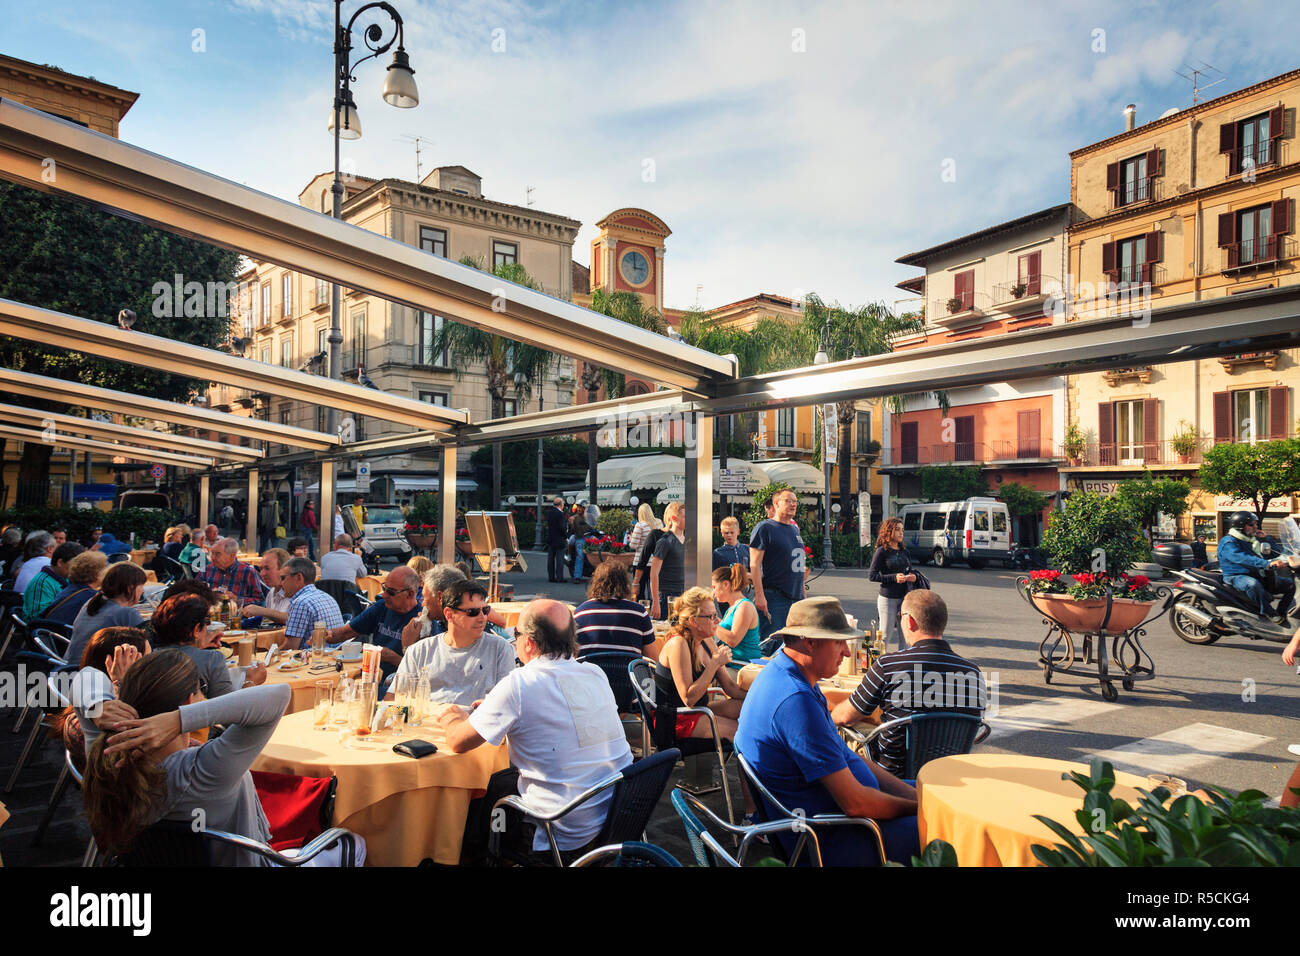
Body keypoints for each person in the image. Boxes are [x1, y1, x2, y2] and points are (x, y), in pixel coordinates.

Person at [87, 649, 364, 866]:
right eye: (200, 690)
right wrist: (179, 720)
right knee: (354, 843)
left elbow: (85, 674)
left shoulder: (109, 752)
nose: (204, 696)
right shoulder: (202, 770)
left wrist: (101, 704)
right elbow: (277, 696)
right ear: (187, 702)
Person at [440, 599, 633, 864]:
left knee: (485, 797)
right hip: (613, 820)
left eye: (516, 634)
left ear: (529, 642)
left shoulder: (519, 685)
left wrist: (454, 718)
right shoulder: (594, 673)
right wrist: (497, 707)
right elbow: (560, 711)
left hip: (559, 834)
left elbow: (457, 742)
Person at [735, 596, 920, 866]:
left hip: (841, 822)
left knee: (938, 793)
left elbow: (848, 756)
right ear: (810, 642)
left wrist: (912, 795)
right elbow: (855, 803)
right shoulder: (795, 700)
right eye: (839, 642)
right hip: (832, 839)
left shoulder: (788, 675)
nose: (846, 652)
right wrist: (922, 809)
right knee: (952, 834)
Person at [831, 590, 986, 774]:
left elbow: (844, 717)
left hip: (893, 777)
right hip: (947, 775)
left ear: (909, 621)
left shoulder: (888, 666)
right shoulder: (973, 673)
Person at [388, 579, 514, 706]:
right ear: (449, 614)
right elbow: (393, 700)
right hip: (427, 723)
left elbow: (508, 704)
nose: (482, 618)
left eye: (485, 610)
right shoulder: (419, 651)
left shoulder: (500, 649)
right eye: (473, 612)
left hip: (474, 723)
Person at [656, 586, 747, 743]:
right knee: (744, 732)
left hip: (699, 710)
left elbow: (730, 687)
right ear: (693, 621)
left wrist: (758, 696)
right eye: (711, 617)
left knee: (752, 709)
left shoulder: (706, 641)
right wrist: (714, 664)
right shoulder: (679, 644)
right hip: (676, 718)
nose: (717, 621)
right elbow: (688, 699)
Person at [151, 592, 266, 697]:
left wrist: (198, 644)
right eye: (207, 624)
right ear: (196, 629)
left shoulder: (150, 657)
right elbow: (228, 710)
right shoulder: (212, 659)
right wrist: (250, 681)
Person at [329, 565, 422, 683]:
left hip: (399, 685)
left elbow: (421, 672)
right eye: (384, 588)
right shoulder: (381, 607)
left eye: (391, 592)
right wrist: (326, 635)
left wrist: (391, 657)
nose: (384, 595)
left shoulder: (422, 621)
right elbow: (344, 633)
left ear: (409, 594)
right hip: (369, 679)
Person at [69, 626, 150, 757]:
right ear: (119, 661)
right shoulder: (89, 676)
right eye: (146, 658)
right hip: (119, 770)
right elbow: (113, 718)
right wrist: (122, 681)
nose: (151, 663)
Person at [749, 488, 807, 645]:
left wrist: (802, 593)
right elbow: (754, 564)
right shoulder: (765, 528)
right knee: (770, 643)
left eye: (795, 501)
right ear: (776, 503)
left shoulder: (794, 530)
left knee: (793, 643)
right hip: (774, 597)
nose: (793, 504)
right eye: (788, 501)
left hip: (795, 597)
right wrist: (760, 595)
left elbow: (799, 564)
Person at [68, 562, 148, 666]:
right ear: (130, 588)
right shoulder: (127, 613)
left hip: (70, 665)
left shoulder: (93, 602)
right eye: (141, 586)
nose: (143, 591)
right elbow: (148, 646)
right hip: (93, 671)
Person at [1218, 512, 1291, 622]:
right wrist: (1267, 564)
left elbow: (1275, 553)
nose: (1255, 527)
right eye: (1251, 525)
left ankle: (1282, 611)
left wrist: (1266, 539)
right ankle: (1268, 612)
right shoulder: (1228, 542)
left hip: (1257, 574)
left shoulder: (1252, 540)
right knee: (1252, 584)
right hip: (1237, 576)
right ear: (1241, 526)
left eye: (1255, 524)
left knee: (1290, 584)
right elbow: (1243, 558)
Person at [574, 561, 655, 656]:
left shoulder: (580, 612)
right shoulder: (639, 612)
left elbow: (571, 655)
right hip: (626, 670)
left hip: (590, 670)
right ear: (625, 583)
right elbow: (653, 658)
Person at [868, 517, 918, 652]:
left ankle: (903, 666)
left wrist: (913, 577)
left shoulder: (904, 552)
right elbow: (872, 576)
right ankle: (878, 666)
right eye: (897, 530)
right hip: (888, 598)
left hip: (905, 599)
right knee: (884, 635)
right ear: (889, 531)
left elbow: (909, 569)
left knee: (906, 637)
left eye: (902, 530)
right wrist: (893, 578)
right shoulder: (882, 551)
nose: (901, 533)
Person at [280, 556, 345, 649]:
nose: (280, 583)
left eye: (283, 578)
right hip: (333, 658)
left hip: (312, 660)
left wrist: (267, 656)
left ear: (299, 577)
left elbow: (290, 647)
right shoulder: (327, 596)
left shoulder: (300, 603)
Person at [712, 563, 762, 668]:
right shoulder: (732, 607)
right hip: (733, 664)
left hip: (742, 667)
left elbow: (733, 640)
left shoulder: (744, 606)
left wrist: (710, 624)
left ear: (726, 584)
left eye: (714, 587)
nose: (713, 592)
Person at [43, 550, 109, 627]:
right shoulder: (93, 597)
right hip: (65, 636)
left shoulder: (70, 589)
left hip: (50, 634)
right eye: (106, 568)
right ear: (98, 574)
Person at [23, 541, 85, 620]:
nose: (77, 569)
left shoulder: (66, 578)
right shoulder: (42, 583)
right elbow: (36, 617)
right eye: (74, 564)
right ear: (60, 562)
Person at [198, 538, 265, 608]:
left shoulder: (248, 572)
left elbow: (260, 600)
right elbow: (194, 591)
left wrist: (237, 599)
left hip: (237, 616)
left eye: (217, 554)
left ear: (231, 556)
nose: (212, 557)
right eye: (212, 553)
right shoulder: (207, 569)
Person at [649, 501, 686, 620]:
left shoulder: (689, 540)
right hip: (666, 595)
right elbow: (654, 573)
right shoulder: (665, 541)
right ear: (675, 518)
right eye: (685, 516)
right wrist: (655, 602)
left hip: (685, 594)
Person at [239, 548, 292, 625]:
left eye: (267, 568)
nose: (262, 574)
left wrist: (262, 611)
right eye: (261, 569)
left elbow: (294, 619)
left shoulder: (295, 591)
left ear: (283, 569)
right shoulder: (272, 592)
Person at [545, 497, 570, 584]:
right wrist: (566, 536)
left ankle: (551, 577)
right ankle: (559, 577)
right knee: (559, 559)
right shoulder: (560, 514)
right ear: (561, 505)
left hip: (551, 539)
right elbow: (562, 527)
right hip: (559, 539)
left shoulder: (550, 513)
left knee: (550, 559)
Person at [569, 505, 593, 582]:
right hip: (580, 538)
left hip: (590, 536)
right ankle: (577, 577)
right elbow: (571, 529)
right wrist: (571, 523)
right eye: (578, 507)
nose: (579, 509)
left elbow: (595, 524)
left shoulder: (589, 516)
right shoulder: (574, 518)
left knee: (598, 553)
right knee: (580, 556)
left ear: (584, 508)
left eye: (581, 507)